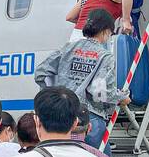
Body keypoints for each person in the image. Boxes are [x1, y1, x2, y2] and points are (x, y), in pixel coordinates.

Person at [35, 9, 130, 147]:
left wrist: (54, 96)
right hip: (89, 120)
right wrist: (121, 98)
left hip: (62, 117)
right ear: (105, 31)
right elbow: (100, 93)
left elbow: (41, 72)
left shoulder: (68, 48)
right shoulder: (105, 56)